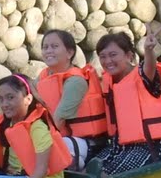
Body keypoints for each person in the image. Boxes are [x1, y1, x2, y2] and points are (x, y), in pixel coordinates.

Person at [95, 28, 161, 175]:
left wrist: (149, 50)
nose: (107, 61)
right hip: (119, 146)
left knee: (105, 174)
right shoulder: (108, 82)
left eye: (113, 55)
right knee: (88, 170)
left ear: (129, 55)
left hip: (150, 147)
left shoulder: (143, 76)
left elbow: (150, 67)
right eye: (102, 56)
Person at [33, 29, 108, 170]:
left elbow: (58, 121)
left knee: (44, 146)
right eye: (45, 47)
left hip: (88, 144)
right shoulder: (44, 76)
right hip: (61, 137)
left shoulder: (75, 81)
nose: (48, 50)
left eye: (54, 46)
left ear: (69, 53)